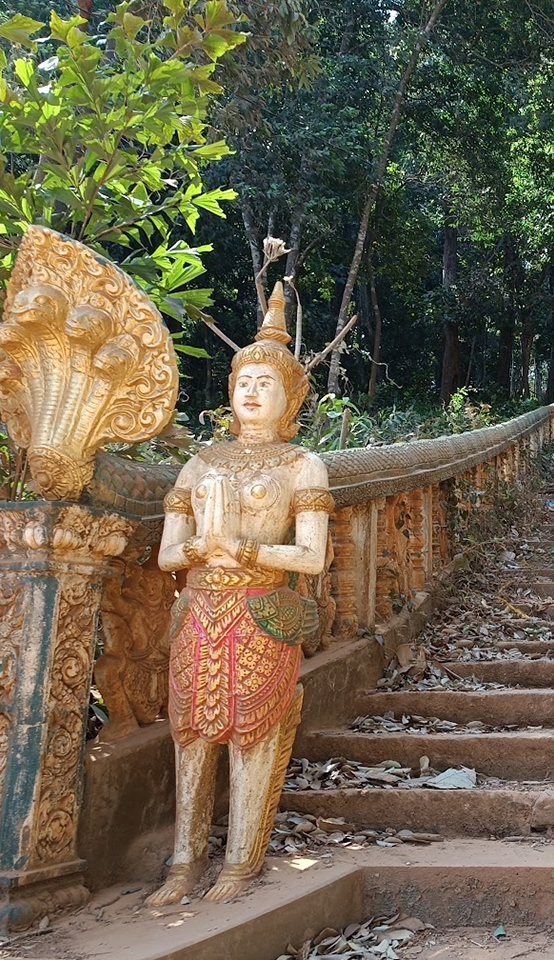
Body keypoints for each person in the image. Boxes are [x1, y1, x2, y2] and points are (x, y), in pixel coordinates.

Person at [148, 282, 333, 905]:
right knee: (192, 734)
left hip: (259, 608)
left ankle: (241, 860)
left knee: (254, 730)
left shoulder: (301, 464)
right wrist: (201, 549)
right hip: (199, 607)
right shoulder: (201, 464)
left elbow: (312, 556)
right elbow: (166, 552)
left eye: (266, 382)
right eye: (244, 381)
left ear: (290, 398)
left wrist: (249, 551)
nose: (252, 391)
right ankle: (183, 861)